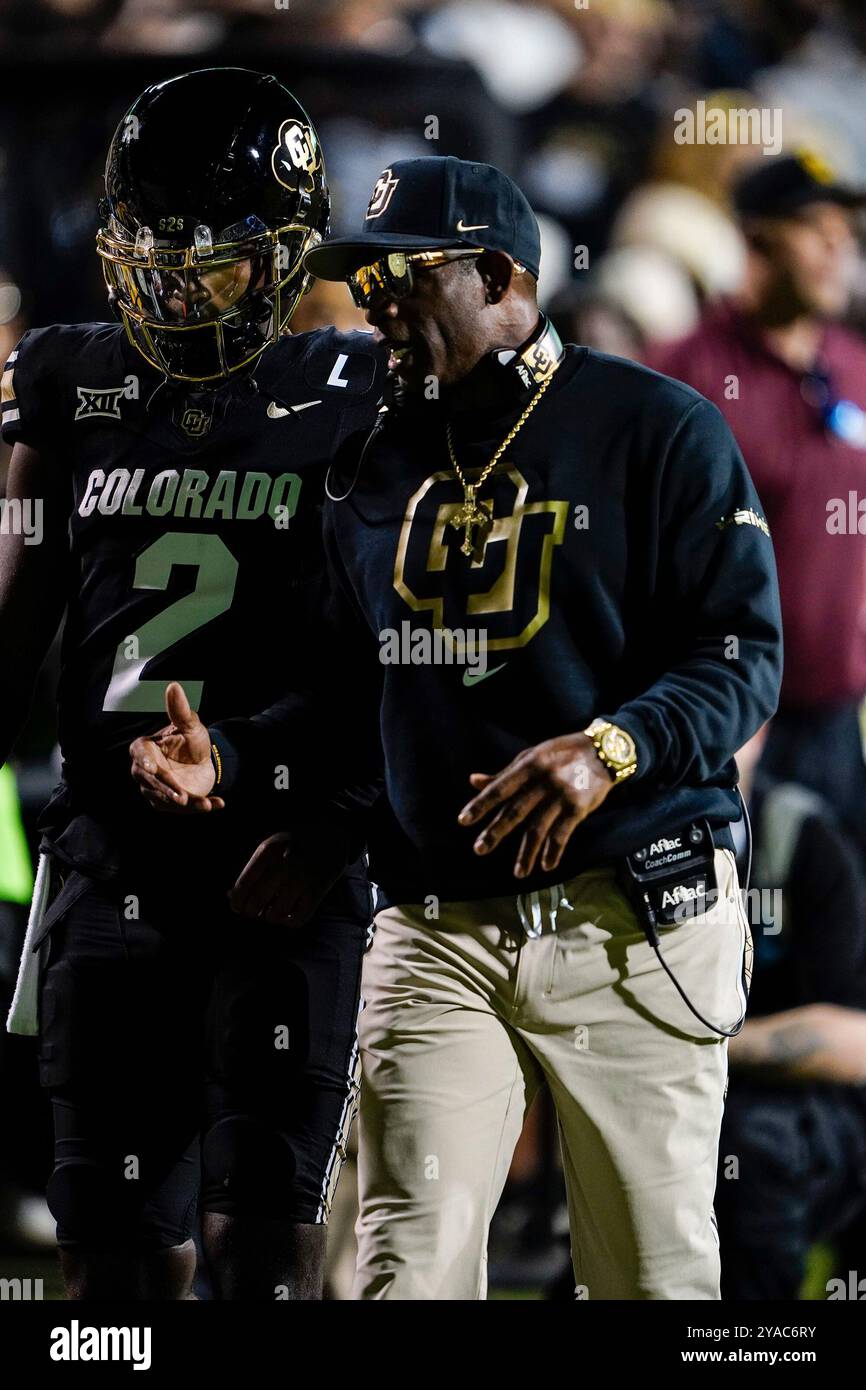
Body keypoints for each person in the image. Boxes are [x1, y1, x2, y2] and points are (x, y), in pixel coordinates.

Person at [130, 155, 782, 1300]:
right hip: (434, 922)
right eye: (363, 283)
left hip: (629, 908)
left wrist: (610, 748)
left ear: (497, 276)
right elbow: (349, 697)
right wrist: (231, 752)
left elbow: (740, 655)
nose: (373, 306)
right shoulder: (366, 459)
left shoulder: (656, 427)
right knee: (403, 1268)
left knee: (651, 1275)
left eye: (401, 278)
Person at [0, 67, 385, 1301]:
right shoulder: (69, 379)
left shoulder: (356, 392)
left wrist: (329, 817)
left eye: (211, 260)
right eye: (153, 256)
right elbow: (12, 633)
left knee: (261, 1245)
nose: (176, 287)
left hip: (280, 861)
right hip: (110, 854)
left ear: (284, 251)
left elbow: (396, 658)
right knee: (111, 1254)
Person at [647, 152, 866, 859]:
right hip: (731, 715)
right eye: (816, 229)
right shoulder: (683, 372)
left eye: (844, 233)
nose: (838, 249)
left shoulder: (855, 365)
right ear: (757, 236)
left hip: (838, 715)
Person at [716, 727, 866, 1300]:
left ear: (760, 727)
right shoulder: (626, 849)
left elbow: (855, 1043)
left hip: (793, 1107)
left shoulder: (806, 840)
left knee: (753, 1150)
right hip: (662, 1097)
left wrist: (705, 1049)